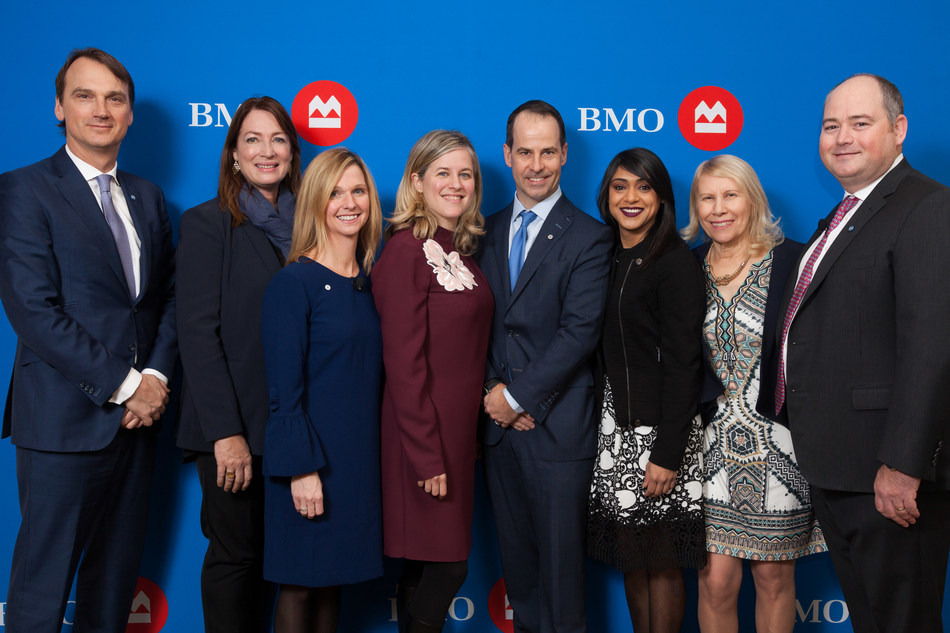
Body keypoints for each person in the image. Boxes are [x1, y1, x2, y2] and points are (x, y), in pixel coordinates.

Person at [0, 48, 176, 633]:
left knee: (113, 589)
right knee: (41, 588)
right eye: (85, 95)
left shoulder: (148, 198)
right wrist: (126, 387)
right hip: (63, 424)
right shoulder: (23, 191)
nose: (101, 109)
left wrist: (153, 379)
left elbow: (165, 301)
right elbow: (33, 310)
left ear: (129, 116)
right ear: (59, 107)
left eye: (115, 99)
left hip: (138, 426)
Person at [779, 74, 950, 632]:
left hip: (889, 476)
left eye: (860, 123)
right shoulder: (848, 210)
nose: (842, 137)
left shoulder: (926, 207)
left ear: (898, 130)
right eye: (831, 126)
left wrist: (902, 465)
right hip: (841, 468)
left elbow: (932, 345)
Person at [479, 100, 612, 633]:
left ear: (564, 156)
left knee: (561, 585)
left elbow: (579, 333)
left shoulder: (589, 236)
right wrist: (493, 390)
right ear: (508, 155)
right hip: (495, 433)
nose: (537, 164)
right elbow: (477, 324)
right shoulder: (481, 231)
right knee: (522, 582)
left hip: (557, 433)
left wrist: (517, 400)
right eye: (526, 152)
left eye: (548, 152)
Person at [682, 155, 824, 633]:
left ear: (752, 200)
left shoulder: (794, 262)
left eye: (730, 195)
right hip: (709, 449)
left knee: (772, 579)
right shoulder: (686, 267)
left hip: (779, 447)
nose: (718, 209)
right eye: (707, 198)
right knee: (715, 582)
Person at [176, 96, 301, 633]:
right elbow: (198, 334)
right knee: (235, 558)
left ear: (293, 153)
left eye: (277, 140)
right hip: (233, 429)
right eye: (252, 139)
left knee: (286, 565)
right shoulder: (207, 224)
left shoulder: (314, 226)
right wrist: (226, 433)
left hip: (294, 427)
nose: (266, 151)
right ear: (233, 154)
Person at [371, 130, 494, 633]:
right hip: (420, 441)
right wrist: (425, 453)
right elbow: (404, 363)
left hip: (458, 440)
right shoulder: (404, 252)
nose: (456, 183)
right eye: (442, 172)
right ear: (417, 182)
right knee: (446, 565)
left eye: (465, 173)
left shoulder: (460, 252)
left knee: (426, 569)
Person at [261, 147, 384, 633]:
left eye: (358, 191)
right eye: (335, 192)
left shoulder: (371, 283)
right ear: (315, 201)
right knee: (299, 583)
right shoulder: (294, 283)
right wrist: (301, 470)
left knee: (334, 582)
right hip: (310, 461)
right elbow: (283, 391)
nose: (349, 202)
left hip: (356, 462)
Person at [586, 148, 706, 633]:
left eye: (644, 187)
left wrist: (668, 452)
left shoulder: (673, 262)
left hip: (660, 433)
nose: (631, 197)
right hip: (616, 431)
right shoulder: (605, 254)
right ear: (606, 194)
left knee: (661, 560)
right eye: (620, 186)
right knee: (633, 557)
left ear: (661, 197)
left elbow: (685, 364)